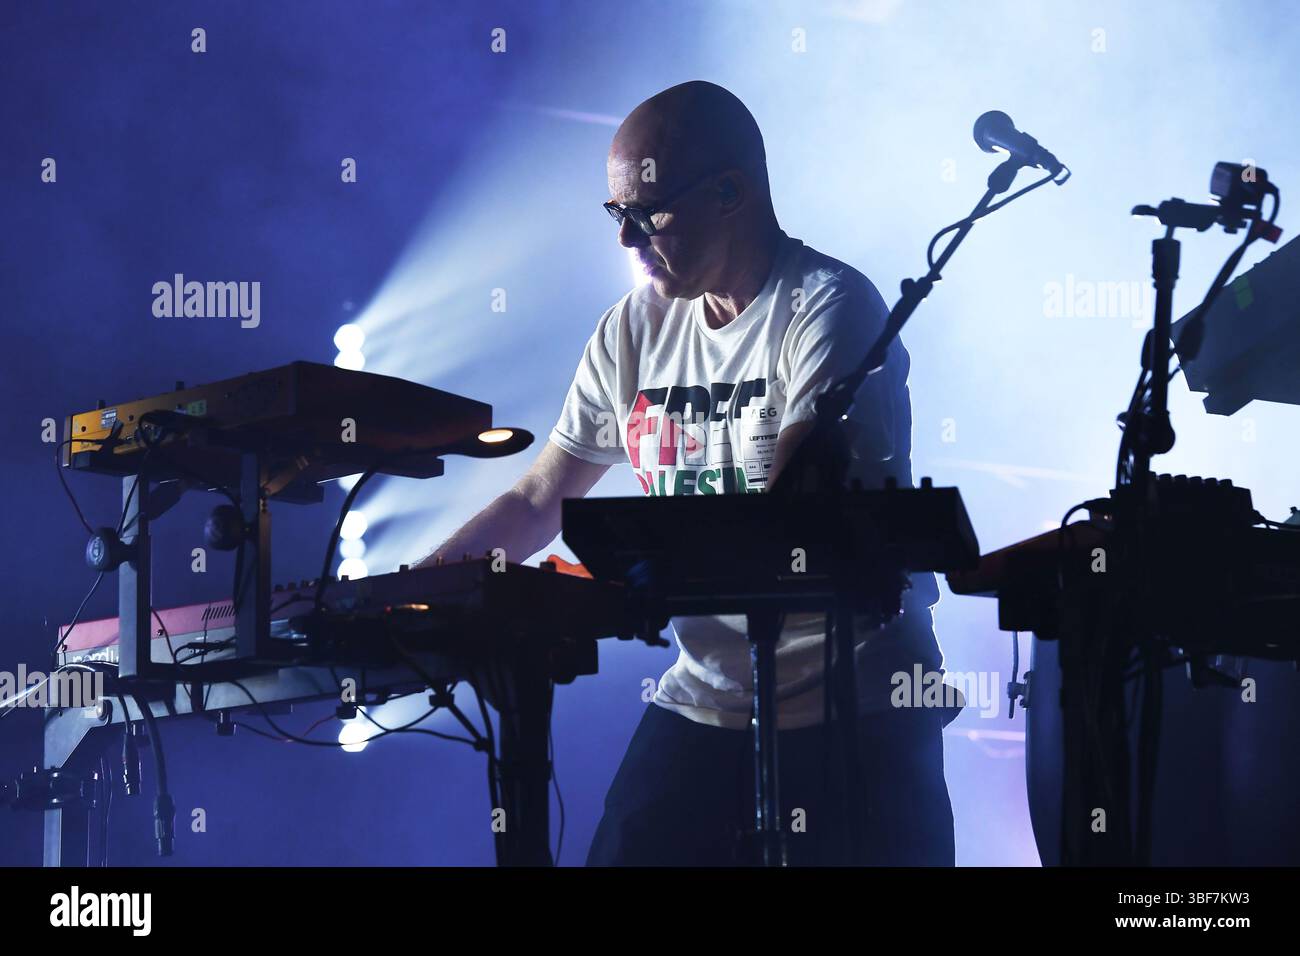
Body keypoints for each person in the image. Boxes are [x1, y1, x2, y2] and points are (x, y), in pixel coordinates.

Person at [418, 80, 955, 866]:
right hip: (707, 696)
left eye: (647, 213)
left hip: (861, 697)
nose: (627, 241)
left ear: (732, 192)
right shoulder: (633, 328)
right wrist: (420, 591)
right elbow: (539, 497)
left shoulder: (828, 309)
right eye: (615, 216)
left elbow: (785, 509)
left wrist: (628, 575)